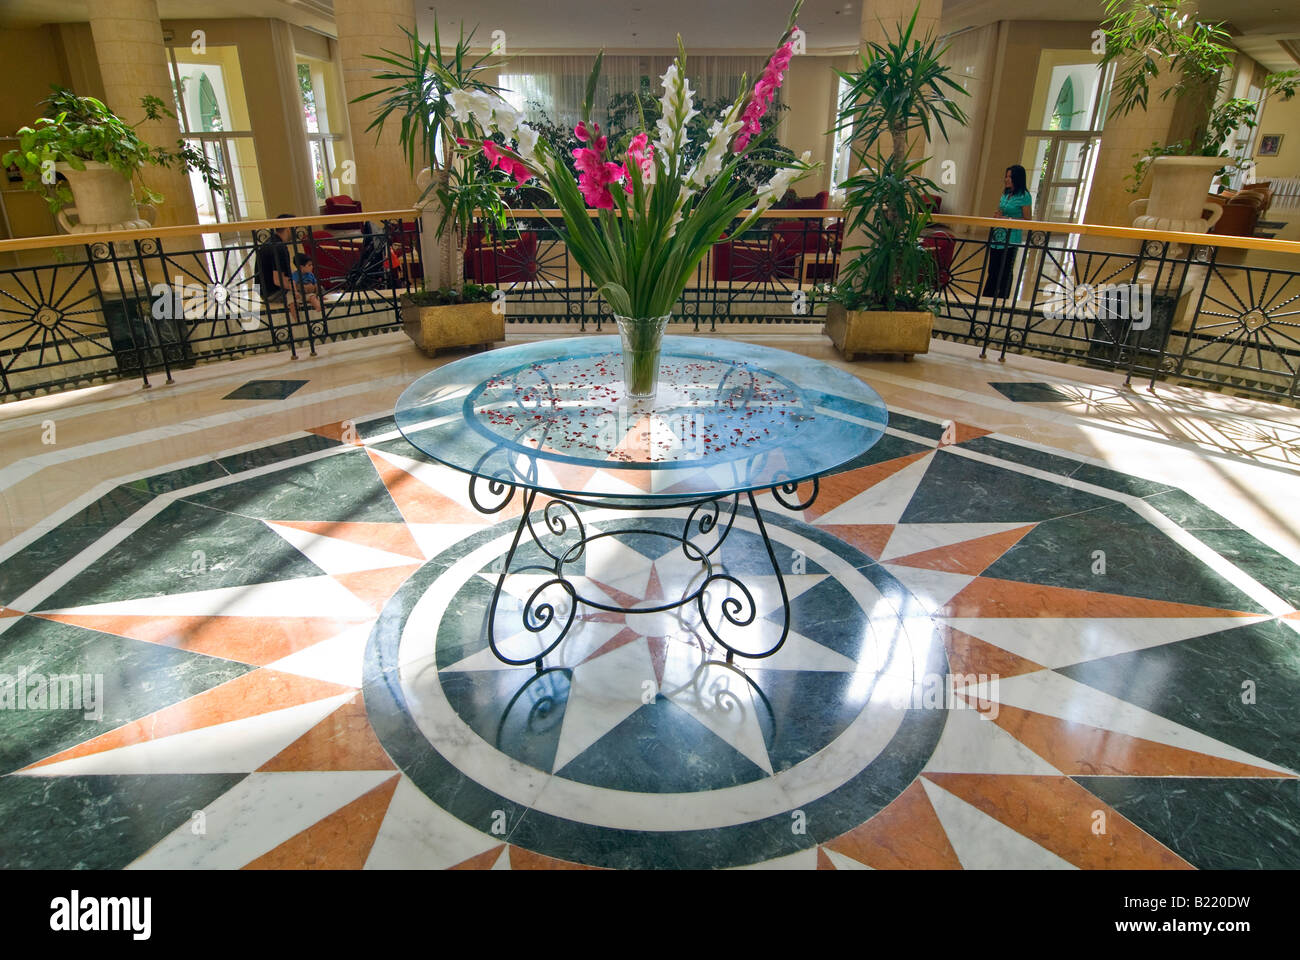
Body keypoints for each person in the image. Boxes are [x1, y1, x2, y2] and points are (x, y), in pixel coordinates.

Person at [983, 165, 1032, 299]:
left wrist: (1008, 219)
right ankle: (987, 298)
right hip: (998, 237)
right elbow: (1001, 211)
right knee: (992, 270)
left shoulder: (1024, 196)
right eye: (1006, 176)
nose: (1006, 179)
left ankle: (1001, 299)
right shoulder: (1005, 194)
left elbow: (1028, 220)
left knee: (1005, 271)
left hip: (1011, 239)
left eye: (1010, 177)